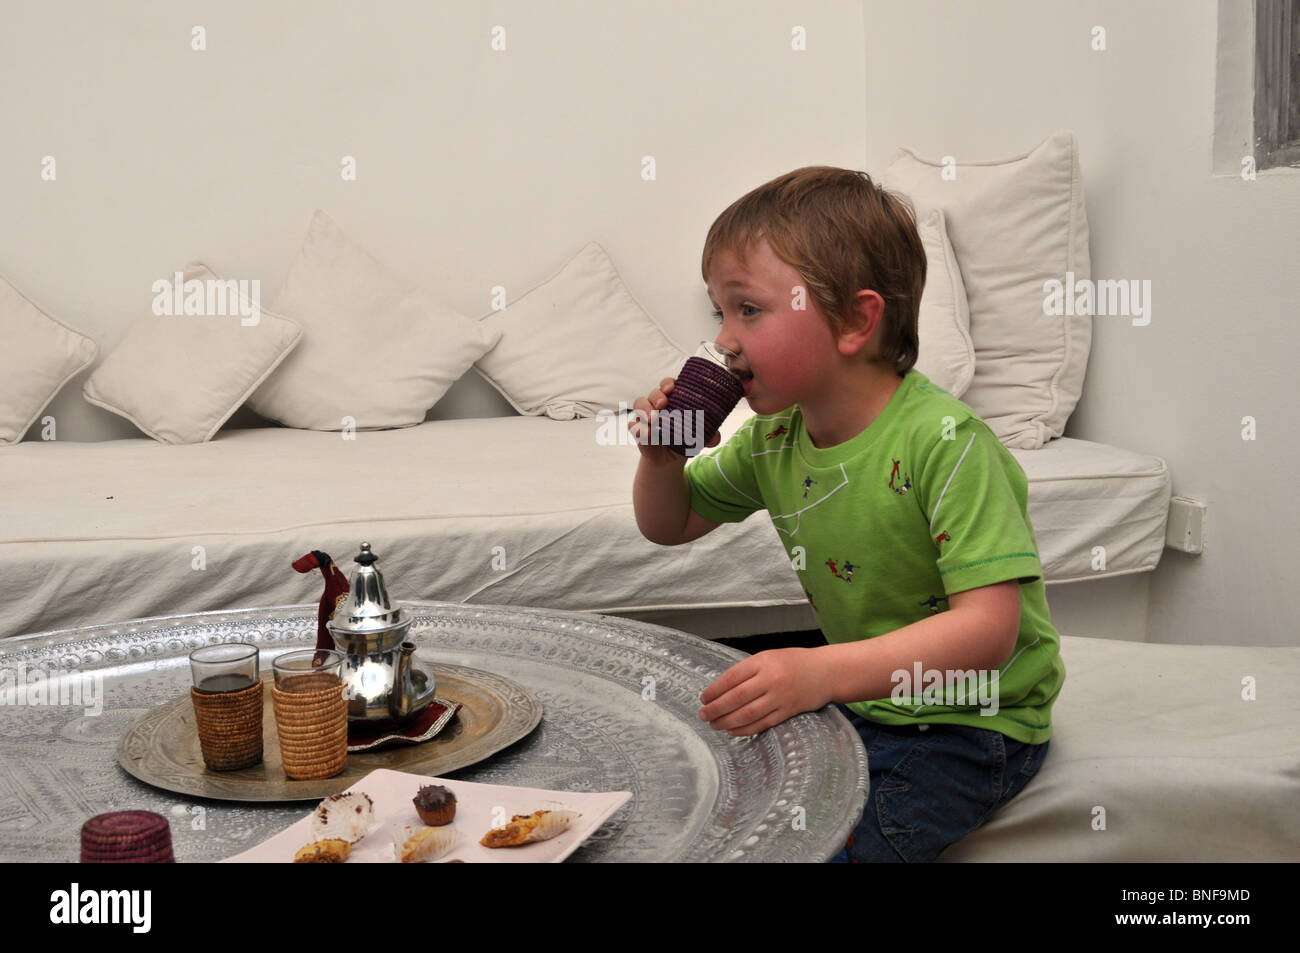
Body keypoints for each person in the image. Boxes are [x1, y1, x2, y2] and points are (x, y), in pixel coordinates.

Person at [629, 166, 1065, 862]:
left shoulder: (945, 444)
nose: (724, 340)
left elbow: (989, 631)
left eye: (748, 309)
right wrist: (661, 460)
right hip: (862, 699)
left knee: (836, 844)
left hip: (969, 721)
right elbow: (669, 523)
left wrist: (822, 672)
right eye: (718, 312)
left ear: (857, 320)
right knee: (711, 792)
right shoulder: (776, 437)